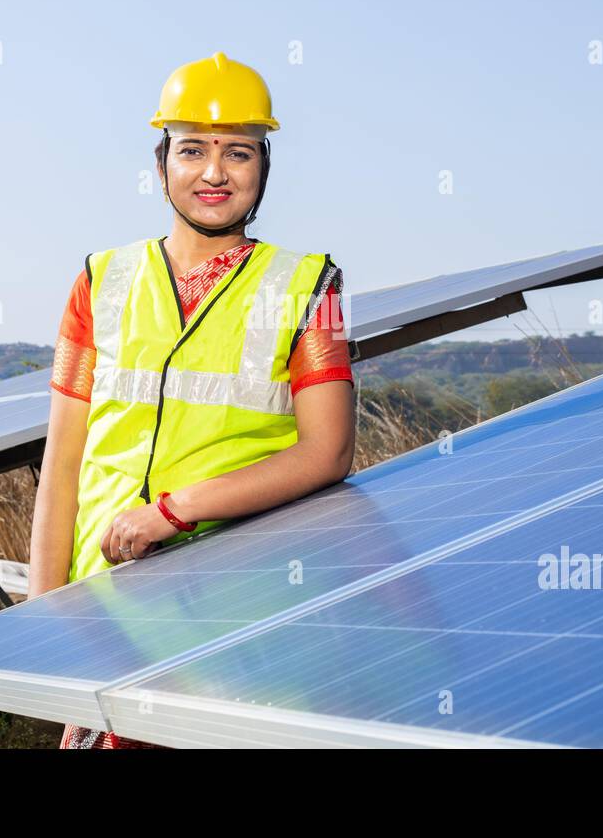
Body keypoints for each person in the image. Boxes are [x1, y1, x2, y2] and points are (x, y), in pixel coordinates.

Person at [28, 52, 357, 748]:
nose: (215, 172)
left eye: (239, 152)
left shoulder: (313, 287)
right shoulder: (99, 281)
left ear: (264, 169)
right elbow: (62, 466)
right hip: (106, 623)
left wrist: (174, 513)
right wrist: (45, 642)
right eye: (193, 151)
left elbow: (327, 452)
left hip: (241, 625)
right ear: (161, 165)